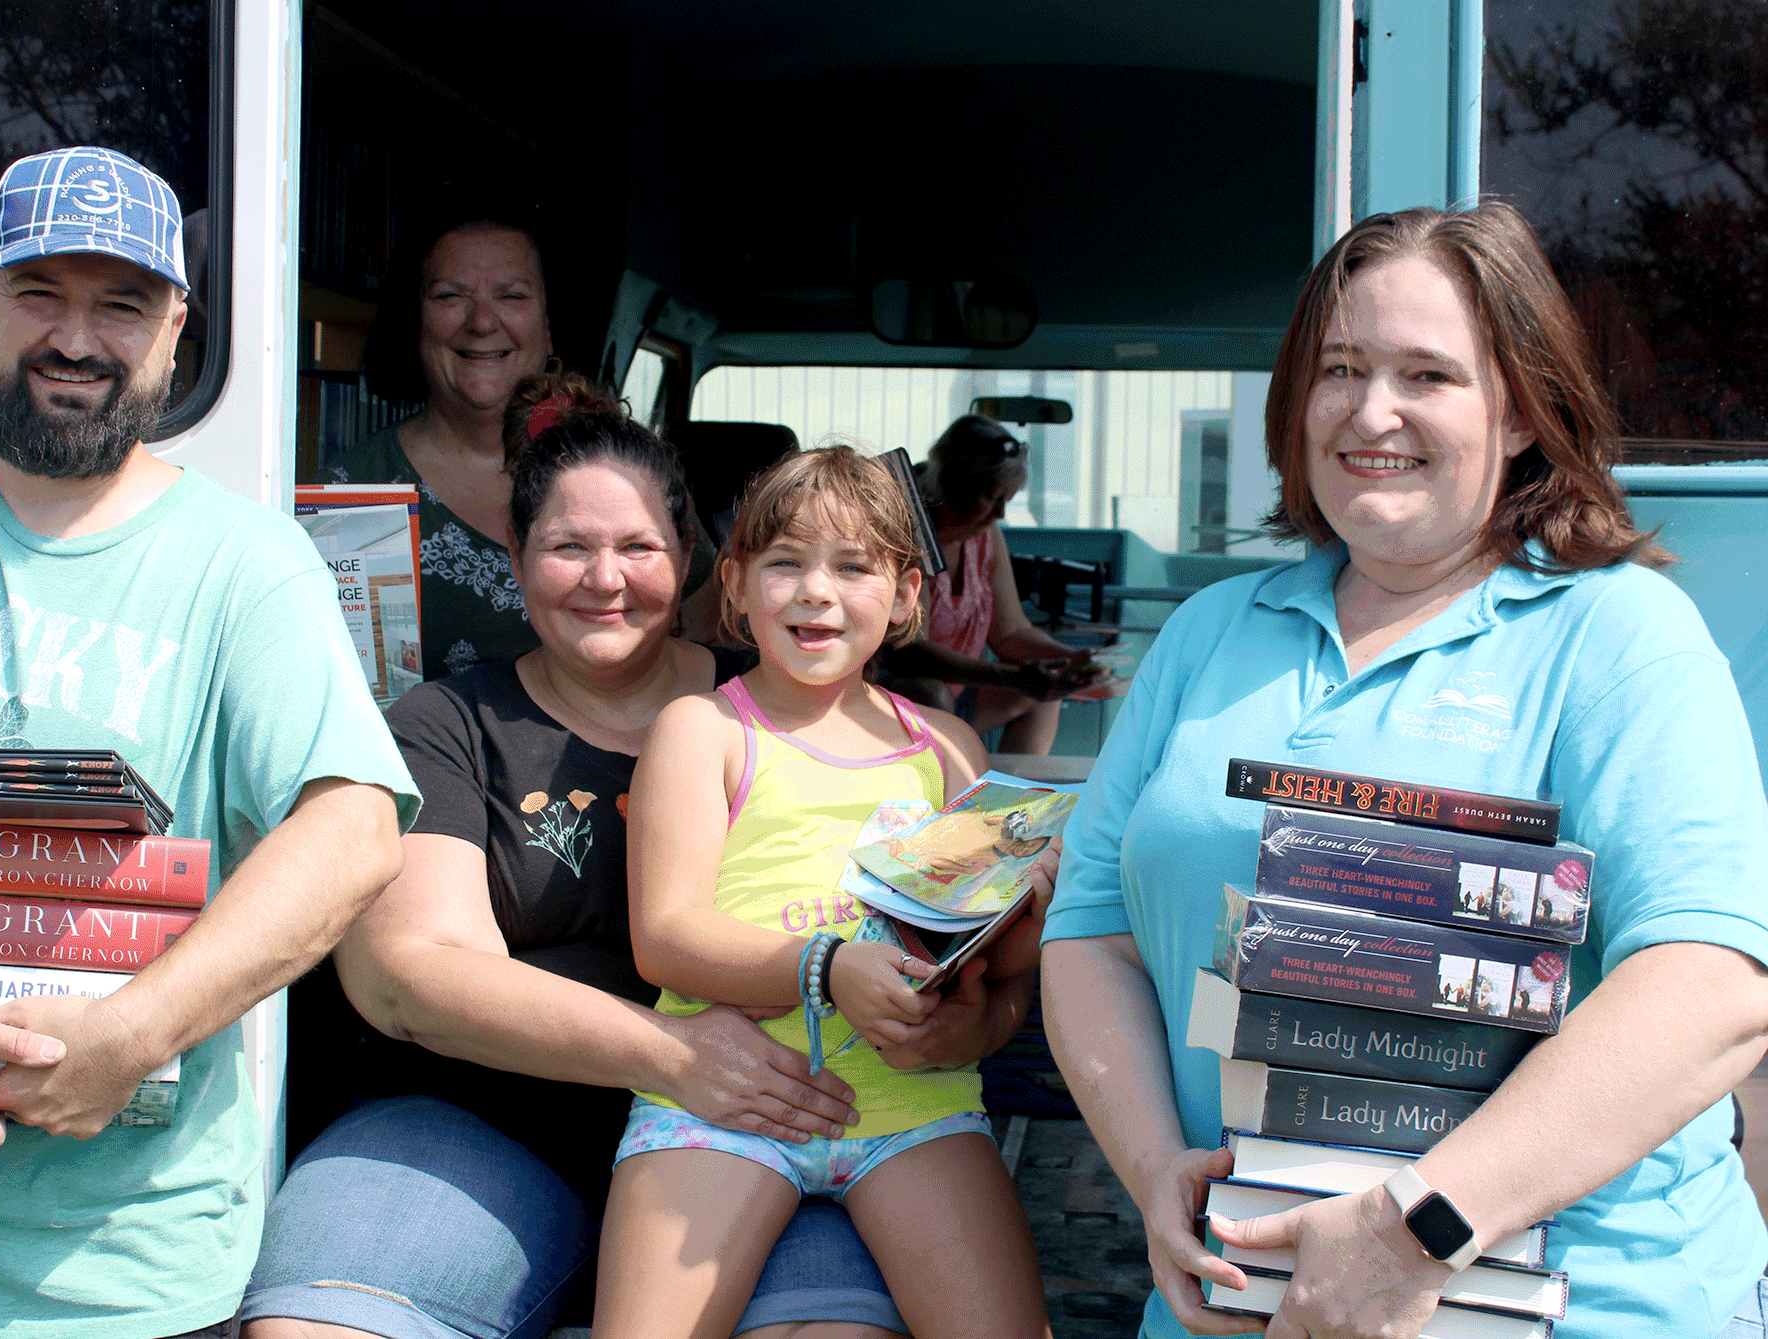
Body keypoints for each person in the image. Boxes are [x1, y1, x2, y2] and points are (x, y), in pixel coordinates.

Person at [1039, 202, 1768, 1339]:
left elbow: (1711, 986)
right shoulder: (1207, 634)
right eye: (1339, 367)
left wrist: (1411, 1227)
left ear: (1522, 409)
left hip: (1565, 1307)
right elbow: (1088, 928)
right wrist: (1152, 1172)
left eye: (1426, 374)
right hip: (1238, 1301)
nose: (1370, 411)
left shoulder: (1618, 635)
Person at [0, 146, 417, 1338]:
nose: (77, 337)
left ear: (178, 330)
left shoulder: (248, 562)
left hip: (127, 1278)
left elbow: (353, 825)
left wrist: (130, 1034)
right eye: (38, 293)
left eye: (121, 303)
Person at [244, 380, 1038, 1339]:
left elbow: (982, 945)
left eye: (638, 548)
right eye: (569, 545)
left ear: (695, 562)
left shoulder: (863, 722)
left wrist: (978, 1014)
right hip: (502, 1126)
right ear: (517, 557)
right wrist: (672, 1054)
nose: (603, 577)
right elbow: (408, 977)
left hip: (814, 1106)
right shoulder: (452, 722)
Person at [601, 444, 1052, 1339]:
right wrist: (828, 967)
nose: (817, 591)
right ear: (734, 582)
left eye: (853, 567)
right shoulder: (704, 729)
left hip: (914, 1110)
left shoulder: (951, 750)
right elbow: (665, 934)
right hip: (724, 1107)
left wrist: (1034, 911)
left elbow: (988, 967)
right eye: (785, 563)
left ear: (907, 596)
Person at [315, 216, 550, 678]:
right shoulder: (350, 495)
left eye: (512, 296)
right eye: (450, 296)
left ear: (550, 318)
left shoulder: (623, 467)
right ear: (414, 319)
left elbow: (704, 633)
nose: (482, 322)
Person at [888, 414, 1116, 754]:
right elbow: (908, 652)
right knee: (930, 694)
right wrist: (1012, 677)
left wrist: (1075, 662)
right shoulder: (905, 534)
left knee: (1046, 693)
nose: (1000, 514)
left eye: (1007, 500)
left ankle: (1017, 797)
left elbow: (1009, 634)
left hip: (959, 695)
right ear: (952, 482)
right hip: (899, 698)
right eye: (992, 496)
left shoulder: (986, 536)